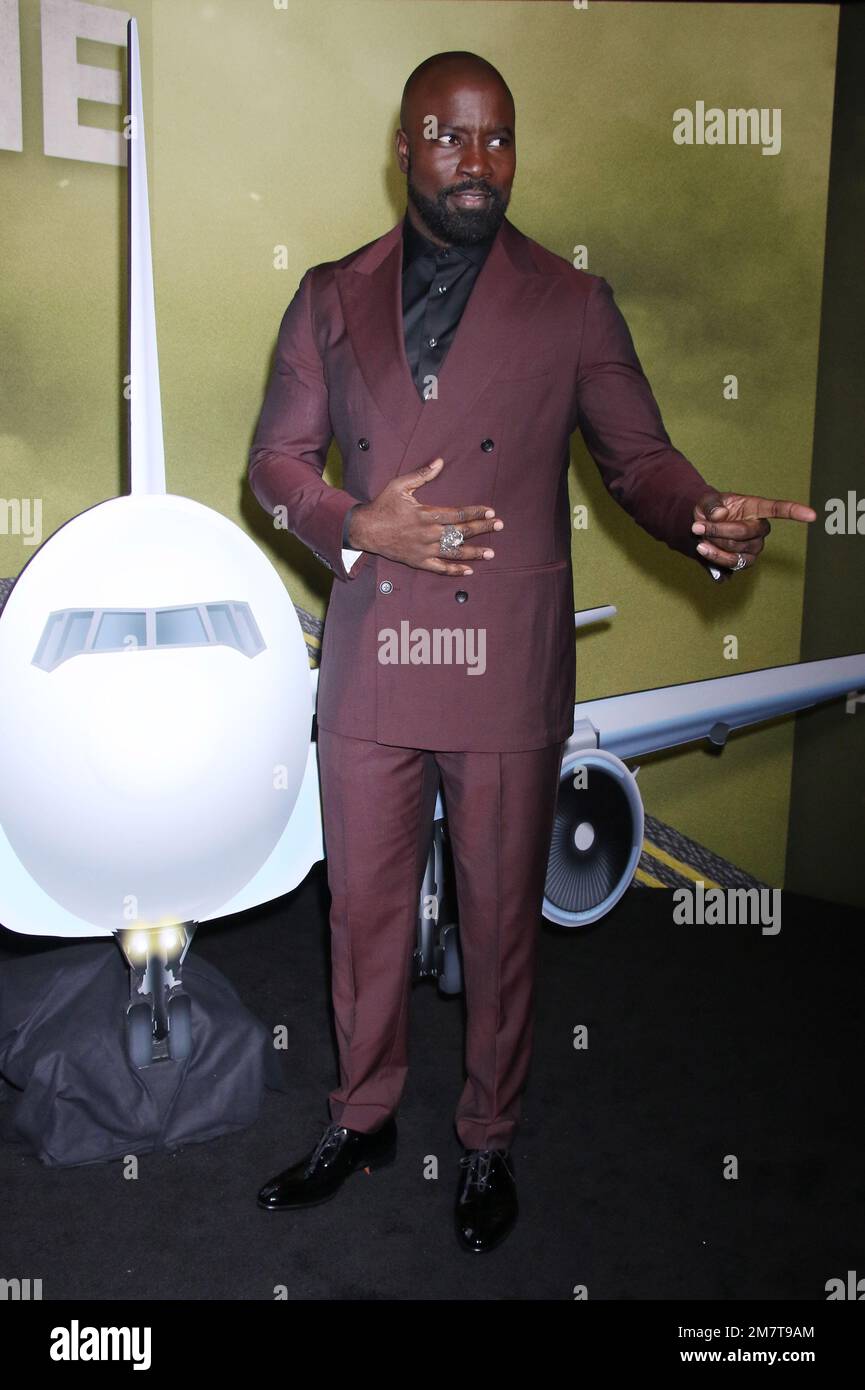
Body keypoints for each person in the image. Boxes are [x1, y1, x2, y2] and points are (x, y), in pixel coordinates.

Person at [247, 50, 816, 1254]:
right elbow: (274, 468)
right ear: (404, 148)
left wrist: (700, 512)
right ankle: (362, 1116)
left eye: (497, 138)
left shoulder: (572, 304)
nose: (476, 160)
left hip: (503, 667)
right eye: (450, 137)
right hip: (373, 659)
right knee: (362, 916)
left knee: (501, 921)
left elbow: (640, 462)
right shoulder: (328, 298)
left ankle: (489, 1136)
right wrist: (360, 522)